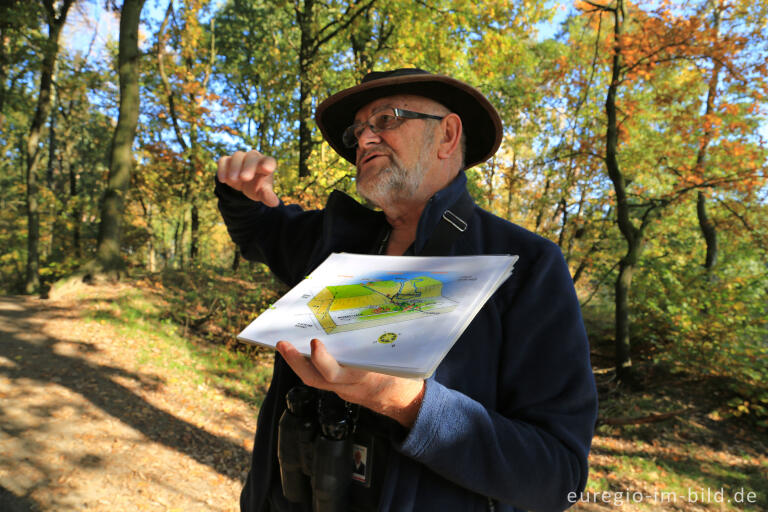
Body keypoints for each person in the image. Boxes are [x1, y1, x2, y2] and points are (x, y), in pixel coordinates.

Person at [215, 68, 598, 512]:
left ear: (448, 135)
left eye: (386, 119)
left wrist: (408, 404)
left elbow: (558, 477)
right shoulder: (337, 242)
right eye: (357, 130)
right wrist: (240, 189)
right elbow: (261, 228)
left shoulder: (524, 266)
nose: (363, 140)